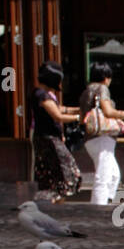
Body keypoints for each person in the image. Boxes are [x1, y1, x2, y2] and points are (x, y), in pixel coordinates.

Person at [79, 63, 124, 205]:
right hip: (102, 137)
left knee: (114, 175)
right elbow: (107, 111)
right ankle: (98, 208)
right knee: (104, 176)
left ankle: (105, 201)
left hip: (91, 138)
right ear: (106, 77)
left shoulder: (86, 92)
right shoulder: (102, 89)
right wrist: (122, 114)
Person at [31, 61, 80, 202]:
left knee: (55, 170)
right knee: (63, 168)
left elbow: (60, 108)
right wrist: (78, 117)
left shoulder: (46, 94)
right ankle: (53, 197)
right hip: (46, 138)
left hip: (50, 137)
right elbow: (57, 115)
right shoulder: (41, 95)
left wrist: (77, 109)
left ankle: (55, 199)